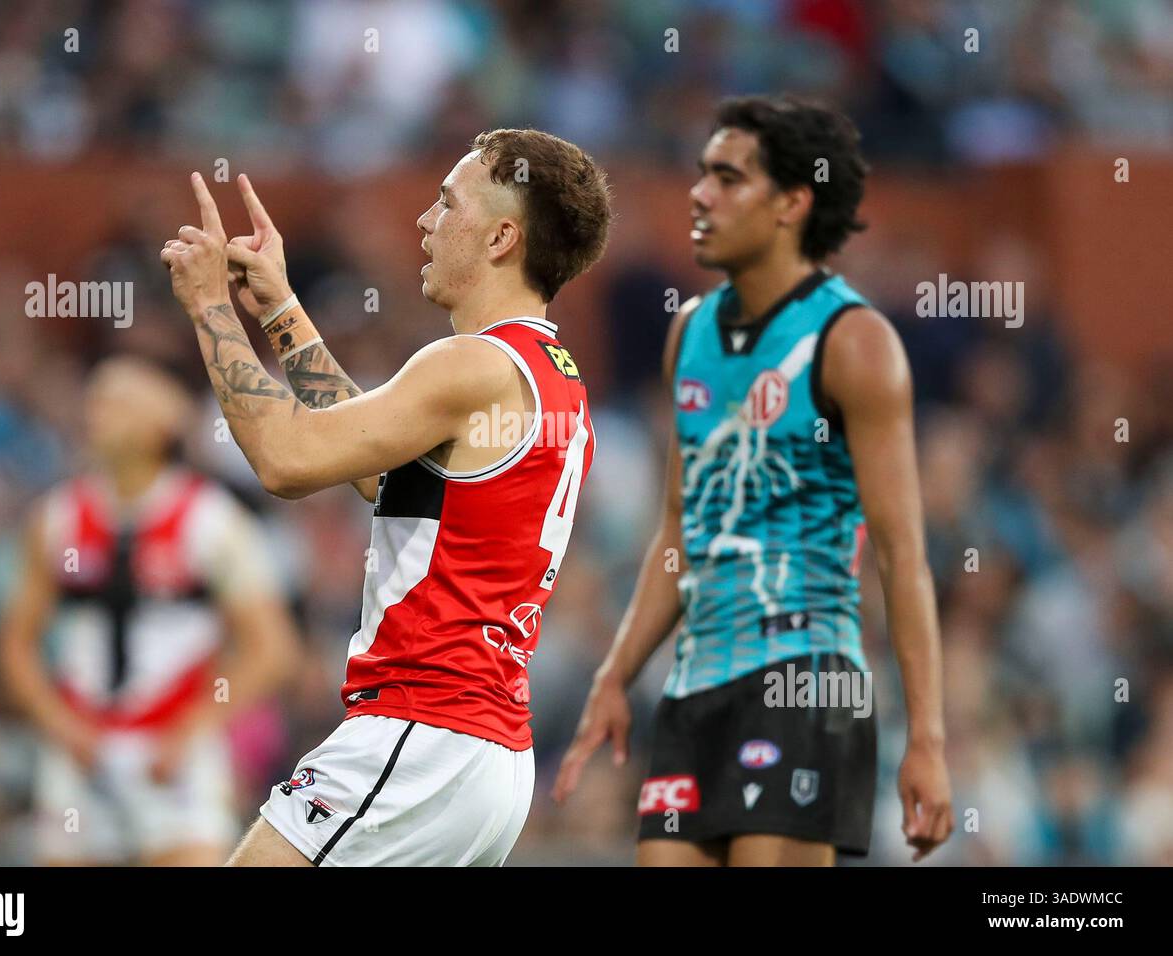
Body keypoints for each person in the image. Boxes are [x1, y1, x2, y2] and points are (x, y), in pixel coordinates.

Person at [159, 129, 611, 866]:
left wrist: (212, 309)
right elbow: (380, 473)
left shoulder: (470, 364)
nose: (426, 223)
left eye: (447, 203)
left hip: (421, 728)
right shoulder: (554, 377)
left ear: (502, 236)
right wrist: (278, 307)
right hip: (488, 755)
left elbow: (287, 459)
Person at [554, 95, 954, 866]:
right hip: (696, 680)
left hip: (804, 679)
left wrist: (928, 743)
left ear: (792, 204)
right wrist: (615, 674)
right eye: (702, 174)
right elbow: (678, 527)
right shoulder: (689, 333)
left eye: (728, 178)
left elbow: (903, 556)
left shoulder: (855, 342)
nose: (700, 195)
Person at [0, 355, 297, 865]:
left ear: (162, 424)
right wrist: (59, 724)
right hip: (81, 743)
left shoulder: (211, 520)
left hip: (174, 748)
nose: (95, 413)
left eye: (116, 402)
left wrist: (197, 726)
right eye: (94, 401)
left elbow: (273, 649)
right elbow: (13, 645)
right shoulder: (57, 517)